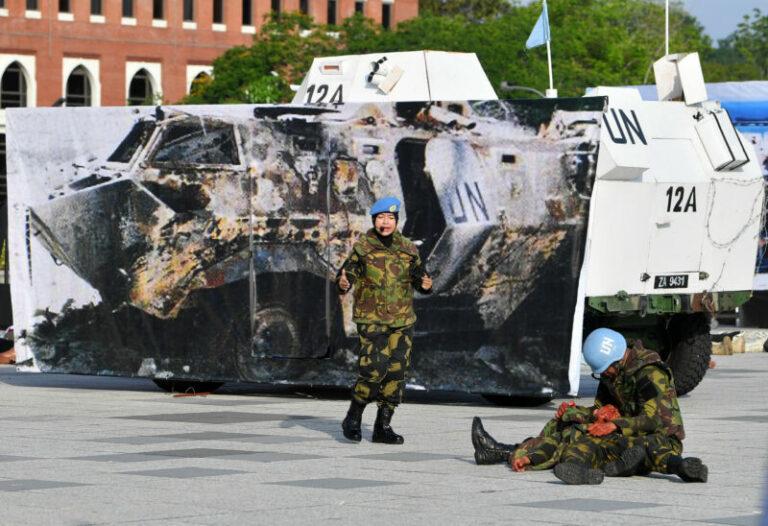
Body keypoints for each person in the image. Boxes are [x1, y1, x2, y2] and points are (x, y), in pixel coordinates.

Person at [552, 328, 708, 485]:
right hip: (626, 436)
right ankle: (578, 469)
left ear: (617, 360)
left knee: (649, 448)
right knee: (587, 442)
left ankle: (682, 467)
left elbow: (653, 420)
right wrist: (575, 411)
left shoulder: (649, 372)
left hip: (661, 437)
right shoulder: (613, 375)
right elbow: (603, 409)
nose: (604, 375)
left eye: (606, 370)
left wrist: (615, 425)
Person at [337, 196, 432, 444]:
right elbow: (348, 273)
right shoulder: (363, 247)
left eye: (390, 218)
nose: (385, 222)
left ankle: (383, 426)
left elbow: (419, 277)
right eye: (381, 218)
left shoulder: (409, 249)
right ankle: (353, 416)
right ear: (374, 220)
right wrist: (344, 281)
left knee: (396, 372)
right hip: (372, 319)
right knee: (373, 370)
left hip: (401, 321)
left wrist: (425, 284)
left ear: (396, 221)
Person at [472, 402, 627, 476]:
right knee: (550, 438)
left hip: (581, 456)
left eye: (612, 413)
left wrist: (528, 459)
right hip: (565, 447)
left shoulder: (614, 434)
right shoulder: (581, 429)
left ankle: (495, 451)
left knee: (551, 445)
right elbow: (550, 445)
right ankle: (494, 451)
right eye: (604, 411)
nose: (610, 411)